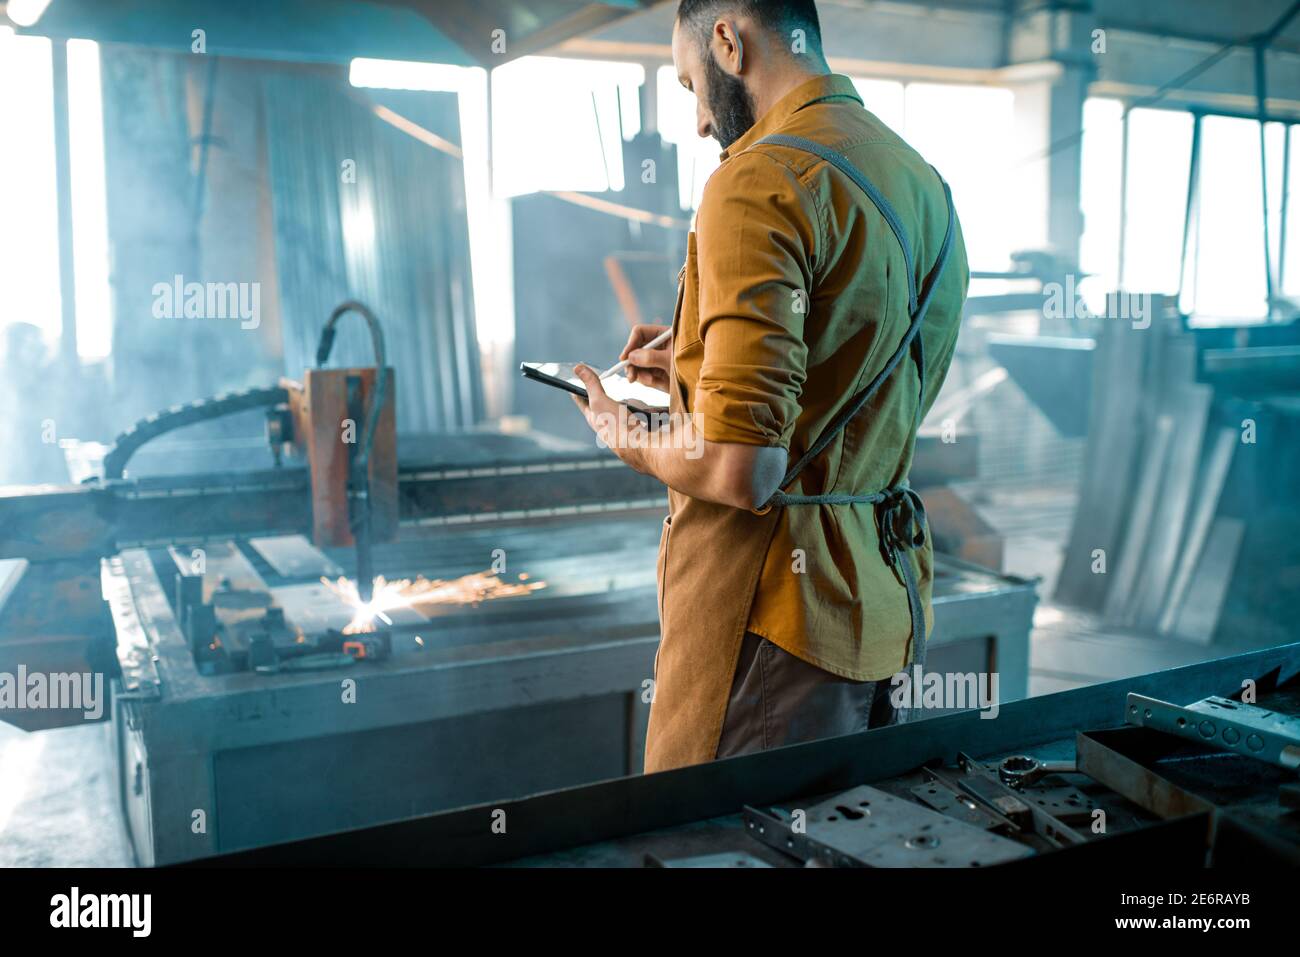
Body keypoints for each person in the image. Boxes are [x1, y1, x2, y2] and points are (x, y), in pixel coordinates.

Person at [569, 0, 969, 772]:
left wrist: (622, 428)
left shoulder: (757, 181)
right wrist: (693, 357)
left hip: (770, 625)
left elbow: (739, 466)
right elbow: (847, 368)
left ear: (728, 40)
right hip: (877, 602)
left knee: (718, 849)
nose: (695, 121)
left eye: (690, 85)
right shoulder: (923, 182)